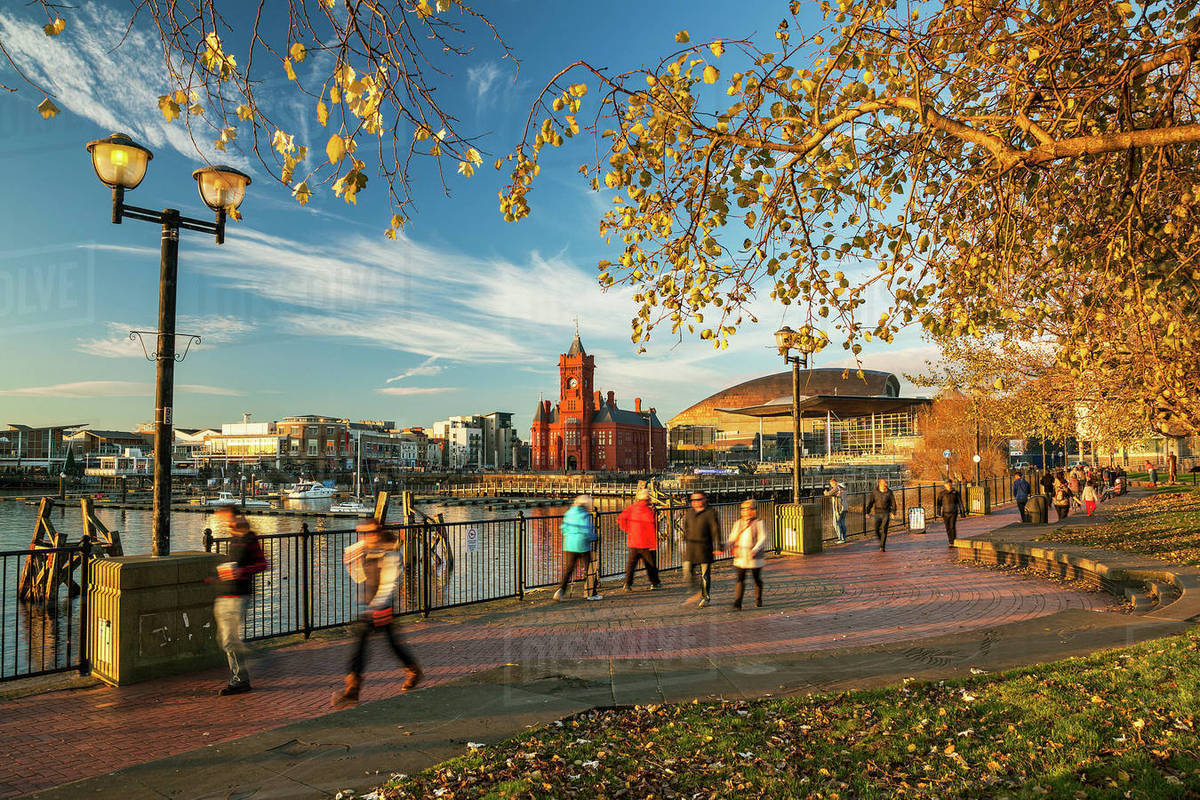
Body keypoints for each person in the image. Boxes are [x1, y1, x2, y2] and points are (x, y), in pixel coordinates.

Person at [331, 519, 422, 707]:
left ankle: (353, 689)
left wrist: (378, 606)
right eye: (361, 533)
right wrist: (353, 556)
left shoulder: (390, 552)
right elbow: (358, 577)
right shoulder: (366, 550)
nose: (364, 537)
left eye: (369, 533)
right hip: (369, 605)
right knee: (392, 644)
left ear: (378, 532)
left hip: (383, 606)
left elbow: (391, 583)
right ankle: (413, 671)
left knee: (362, 644)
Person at [213, 507, 267, 696]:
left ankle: (240, 679)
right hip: (225, 594)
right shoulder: (234, 538)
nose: (225, 523)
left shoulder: (250, 539)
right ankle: (241, 675)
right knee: (225, 639)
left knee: (230, 640)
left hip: (238, 595)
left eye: (226, 519)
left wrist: (241, 572)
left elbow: (262, 564)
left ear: (236, 518)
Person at [554, 495, 601, 601]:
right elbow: (586, 531)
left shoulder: (569, 513)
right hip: (582, 545)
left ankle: (560, 590)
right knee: (589, 569)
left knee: (569, 569)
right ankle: (591, 593)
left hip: (569, 544)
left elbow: (563, 528)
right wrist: (595, 537)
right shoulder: (584, 515)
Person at [683, 491, 722, 608]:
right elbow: (686, 526)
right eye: (693, 500)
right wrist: (684, 538)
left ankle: (705, 597)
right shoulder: (689, 512)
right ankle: (695, 589)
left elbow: (716, 530)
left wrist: (718, 545)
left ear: (705, 499)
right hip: (691, 547)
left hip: (705, 548)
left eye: (698, 499)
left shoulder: (710, 513)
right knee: (687, 570)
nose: (695, 502)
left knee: (705, 575)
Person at [728, 499, 768, 610]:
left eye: (748, 509)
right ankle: (737, 603)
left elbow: (763, 538)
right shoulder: (738, 523)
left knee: (756, 578)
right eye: (743, 509)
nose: (745, 511)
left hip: (754, 557)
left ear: (754, 510)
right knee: (740, 579)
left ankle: (758, 598)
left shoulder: (759, 522)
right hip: (741, 556)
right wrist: (725, 545)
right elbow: (732, 537)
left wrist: (755, 549)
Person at [618, 488, 661, 591]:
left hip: (633, 540)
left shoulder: (632, 508)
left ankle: (627, 584)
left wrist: (628, 529)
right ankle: (655, 583)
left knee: (631, 565)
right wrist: (654, 542)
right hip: (646, 542)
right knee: (650, 565)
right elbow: (653, 526)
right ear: (648, 499)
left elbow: (621, 518)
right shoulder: (650, 511)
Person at [863, 478, 897, 552]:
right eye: (884, 483)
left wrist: (893, 512)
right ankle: (881, 539)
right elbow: (870, 502)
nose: (886, 484)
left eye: (886, 483)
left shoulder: (889, 492)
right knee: (876, 529)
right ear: (880, 484)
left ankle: (882, 546)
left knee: (884, 528)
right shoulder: (875, 492)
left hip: (886, 512)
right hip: (877, 512)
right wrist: (867, 512)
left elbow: (893, 503)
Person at [935, 480, 963, 546]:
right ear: (945, 485)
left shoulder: (955, 493)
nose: (949, 485)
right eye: (947, 484)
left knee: (952, 526)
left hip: (953, 512)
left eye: (950, 484)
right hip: (945, 513)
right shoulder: (942, 493)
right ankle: (950, 540)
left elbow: (960, 502)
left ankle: (953, 541)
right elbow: (938, 503)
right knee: (948, 528)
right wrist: (938, 511)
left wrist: (962, 512)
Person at [823, 478, 848, 543]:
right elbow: (837, 494)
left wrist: (825, 492)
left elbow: (828, 494)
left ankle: (841, 538)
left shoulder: (836, 488)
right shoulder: (843, 488)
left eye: (831, 484)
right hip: (845, 507)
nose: (831, 486)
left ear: (834, 483)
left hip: (839, 508)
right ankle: (844, 538)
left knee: (836, 523)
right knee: (842, 523)